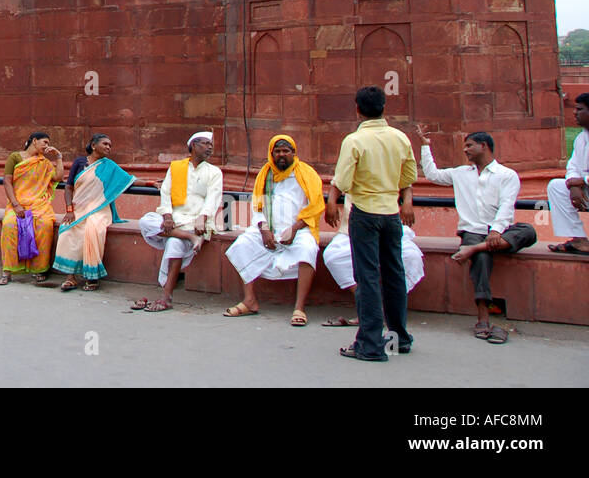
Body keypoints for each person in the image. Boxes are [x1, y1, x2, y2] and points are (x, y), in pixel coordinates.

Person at [417, 124, 537, 343]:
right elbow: (433, 175)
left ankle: (473, 249)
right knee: (482, 257)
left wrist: (497, 231)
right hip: (473, 231)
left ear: (484, 146)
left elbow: (507, 206)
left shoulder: (507, 175)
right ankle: (483, 313)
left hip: (500, 231)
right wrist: (425, 146)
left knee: (528, 231)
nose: (466, 150)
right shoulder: (460, 174)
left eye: (470, 145)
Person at [327, 86, 417, 361]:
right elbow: (408, 177)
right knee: (393, 274)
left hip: (365, 213)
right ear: (383, 108)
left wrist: (331, 203)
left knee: (367, 278)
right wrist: (407, 202)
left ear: (357, 109)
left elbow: (342, 181)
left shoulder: (355, 140)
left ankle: (370, 344)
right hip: (391, 214)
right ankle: (399, 338)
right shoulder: (399, 138)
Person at [223, 134, 323, 325]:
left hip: (298, 229)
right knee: (242, 245)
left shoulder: (307, 174)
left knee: (308, 249)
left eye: (286, 151)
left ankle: (299, 307)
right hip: (268, 228)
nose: (281, 155)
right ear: (271, 153)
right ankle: (250, 300)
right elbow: (258, 205)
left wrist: (294, 229)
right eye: (277, 151)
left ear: (294, 153)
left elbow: (316, 207)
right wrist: (264, 229)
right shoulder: (265, 173)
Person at [135, 131, 223, 312]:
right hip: (175, 221)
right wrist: (167, 216)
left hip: (197, 222)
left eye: (211, 144)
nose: (210, 147)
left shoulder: (214, 172)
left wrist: (202, 218)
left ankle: (165, 297)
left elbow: (213, 199)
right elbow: (165, 193)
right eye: (205, 143)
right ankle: (189, 238)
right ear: (193, 146)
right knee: (146, 221)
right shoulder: (176, 168)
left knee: (174, 242)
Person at [321, 193, 424, 327]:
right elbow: (338, 182)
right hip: (356, 227)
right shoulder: (353, 172)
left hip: (387, 224)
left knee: (411, 257)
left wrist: (407, 203)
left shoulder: (393, 172)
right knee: (333, 256)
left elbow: (407, 182)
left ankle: (387, 311)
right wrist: (331, 203)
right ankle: (372, 308)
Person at [52, 133, 135, 291]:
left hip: (99, 209)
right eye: (105, 144)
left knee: (93, 228)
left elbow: (128, 180)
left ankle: (92, 275)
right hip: (78, 208)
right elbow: (68, 187)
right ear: (93, 145)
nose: (108, 147)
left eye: (110, 145)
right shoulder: (79, 162)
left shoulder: (109, 166)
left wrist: (152, 183)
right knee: (67, 230)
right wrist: (69, 210)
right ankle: (71, 277)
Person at [0, 131, 64, 285]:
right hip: (17, 203)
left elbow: (58, 178)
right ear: (34, 141)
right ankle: (7, 271)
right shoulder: (15, 157)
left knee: (44, 225)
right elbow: (7, 181)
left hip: (39, 205)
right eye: (45, 142)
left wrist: (59, 158)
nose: (47, 146)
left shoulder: (45, 163)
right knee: (9, 225)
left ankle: (39, 269)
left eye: (48, 143)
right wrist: (15, 204)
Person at [547, 92, 589, 255]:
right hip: (587, 190)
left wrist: (583, 181)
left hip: (588, 186)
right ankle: (579, 239)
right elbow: (572, 166)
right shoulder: (581, 139)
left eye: (580, 109)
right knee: (556, 186)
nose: (574, 113)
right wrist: (573, 185)